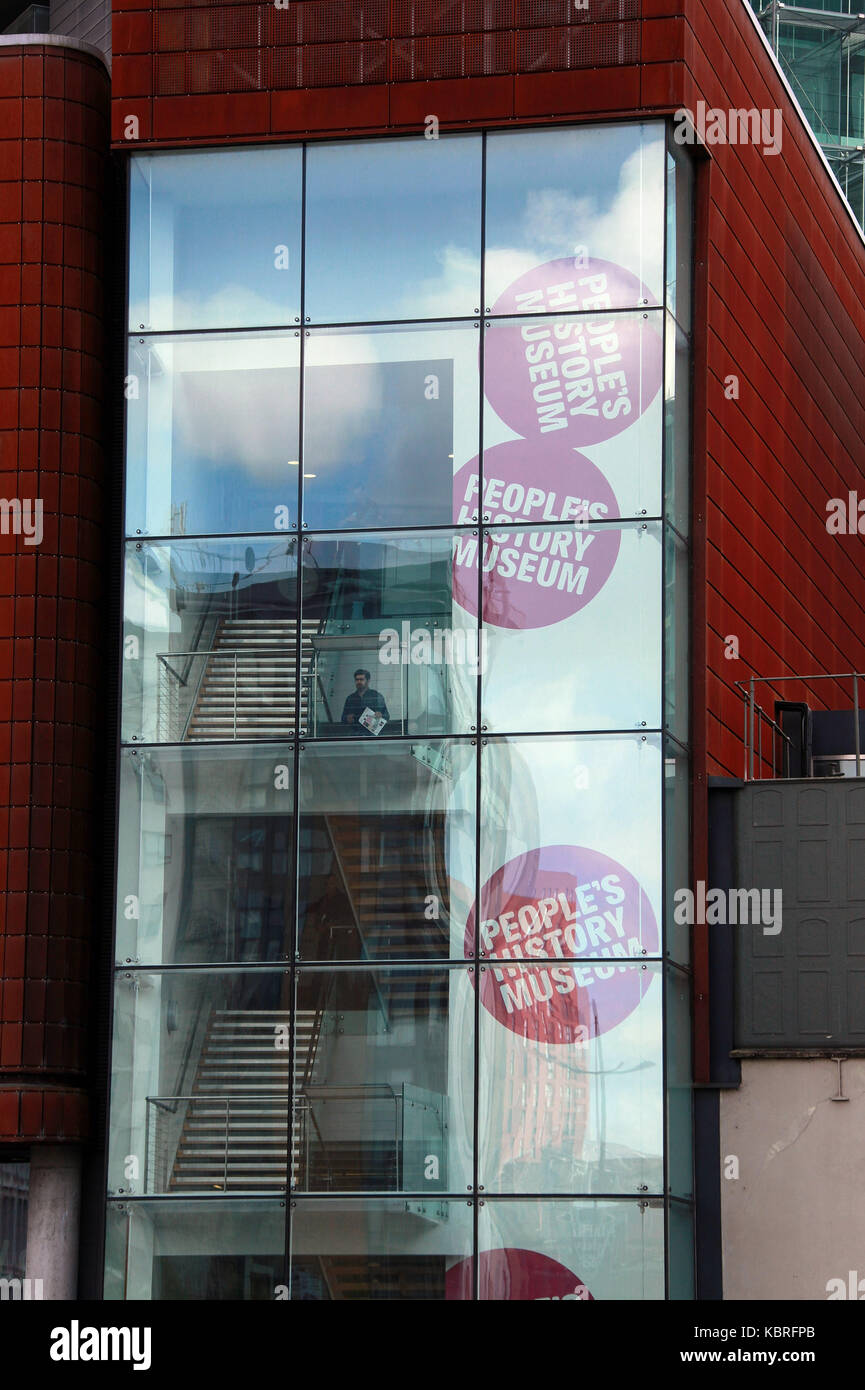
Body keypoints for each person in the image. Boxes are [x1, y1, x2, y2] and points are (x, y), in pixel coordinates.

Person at [341, 669, 390, 736]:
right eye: (357, 680)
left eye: (361, 679)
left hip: (372, 736)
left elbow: (386, 716)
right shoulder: (350, 698)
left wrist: (381, 715)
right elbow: (343, 718)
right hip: (355, 735)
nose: (359, 682)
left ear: (368, 681)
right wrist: (347, 718)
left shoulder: (376, 696)